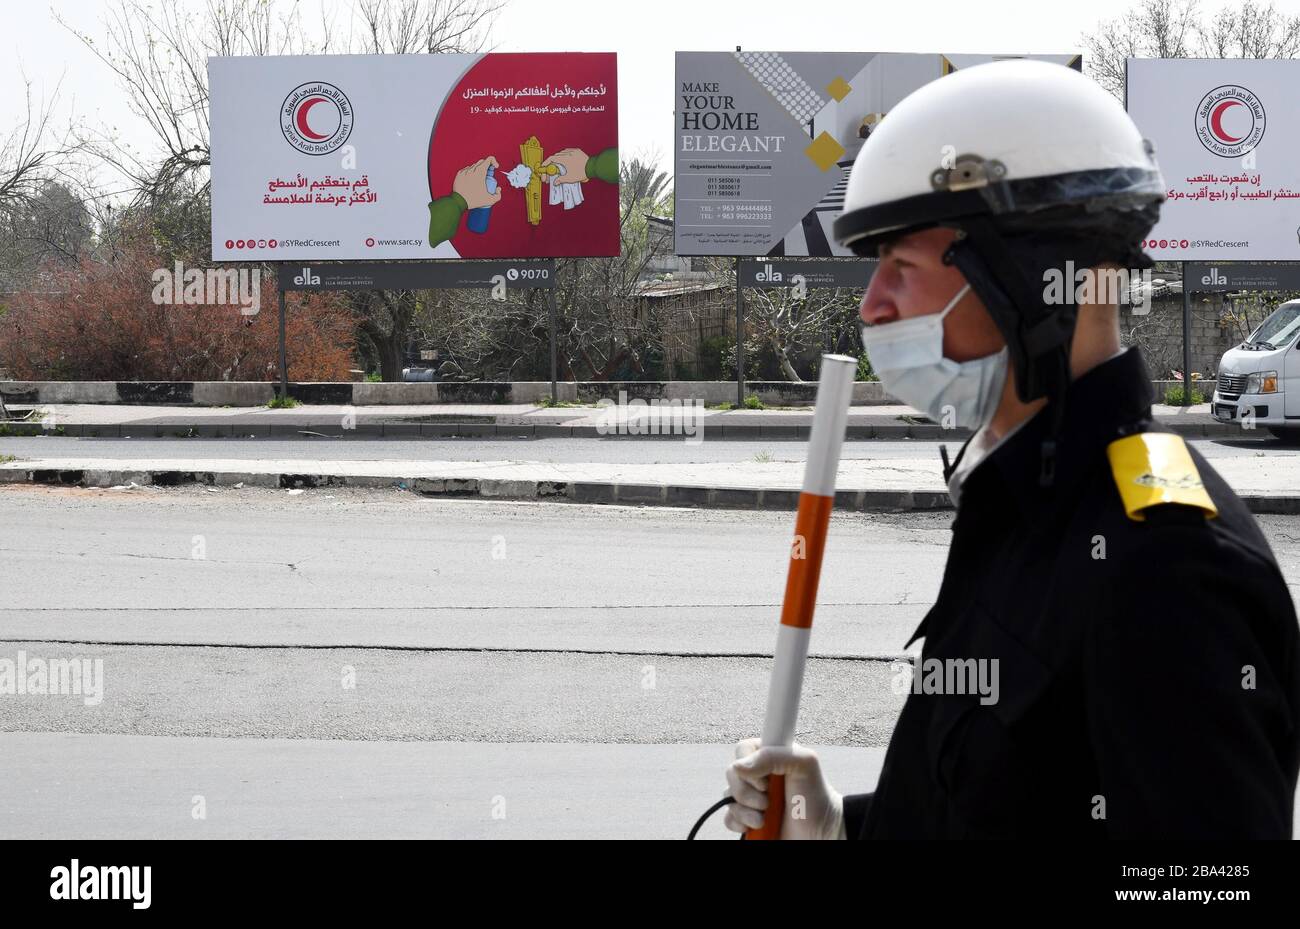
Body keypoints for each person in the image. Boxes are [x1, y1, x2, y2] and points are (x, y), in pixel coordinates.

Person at [724, 59, 1300, 839]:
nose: (871, 303)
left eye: (901, 264)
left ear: (1027, 281)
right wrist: (837, 827)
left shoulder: (1167, 562)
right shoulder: (1025, 504)